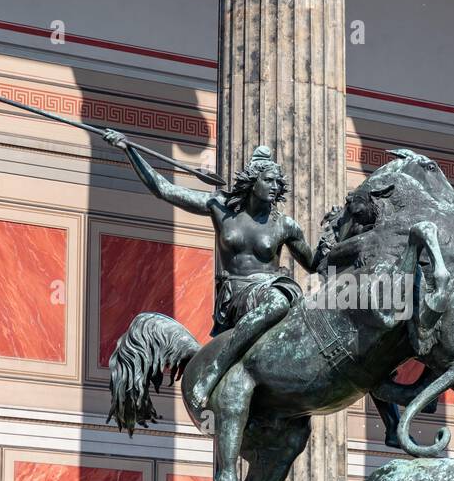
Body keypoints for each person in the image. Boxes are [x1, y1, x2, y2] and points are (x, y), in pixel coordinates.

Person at [104, 133, 332, 409]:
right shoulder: (220, 208)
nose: (275, 187)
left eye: (278, 182)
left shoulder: (285, 225)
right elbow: (164, 190)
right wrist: (129, 148)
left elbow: (315, 265)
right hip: (237, 295)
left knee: (279, 299)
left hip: (272, 286)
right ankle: (215, 369)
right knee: (277, 301)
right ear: (253, 181)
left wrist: (334, 238)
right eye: (268, 180)